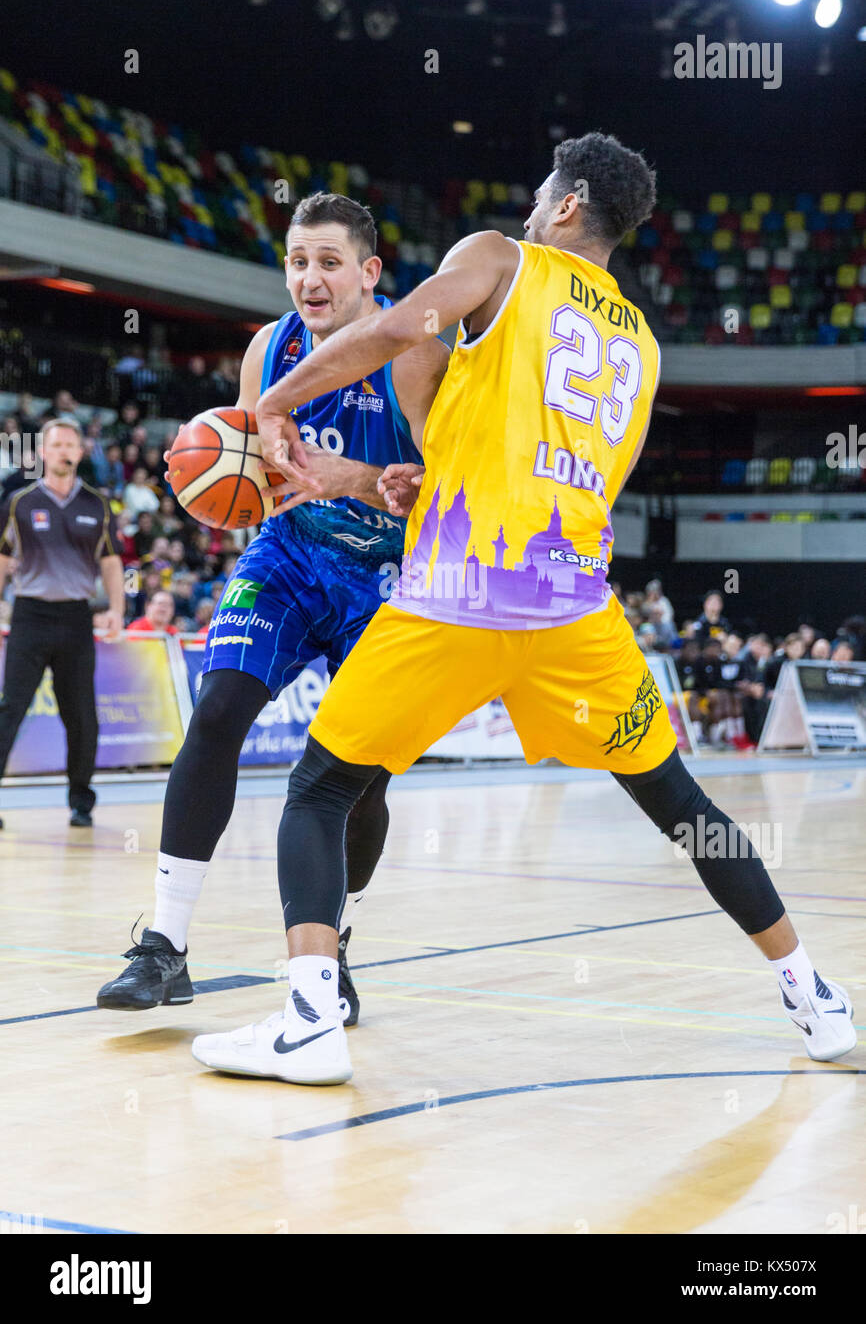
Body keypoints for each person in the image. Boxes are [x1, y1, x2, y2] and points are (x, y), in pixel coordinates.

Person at [200, 132, 856, 1085]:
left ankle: (308, 1017)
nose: (530, 205)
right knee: (684, 807)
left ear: (567, 205)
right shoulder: (641, 344)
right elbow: (583, 488)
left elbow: (395, 330)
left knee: (321, 790)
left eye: (541, 192)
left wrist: (273, 404)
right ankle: (813, 995)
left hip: (457, 594)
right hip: (572, 606)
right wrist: (388, 475)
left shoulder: (499, 258)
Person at [96, 191, 448, 1018]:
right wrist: (220, 481)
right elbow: (255, 472)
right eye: (297, 261)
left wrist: (367, 482)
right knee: (216, 712)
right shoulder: (268, 347)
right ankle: (165, 947)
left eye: (329, 262)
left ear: (368, 274)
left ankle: (338, 946)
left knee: (362, 782)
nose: (309, 278)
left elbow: (452, 491)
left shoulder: (413, 355)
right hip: (289, 555)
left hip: (386, 579)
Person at [0, 418, 124, 827]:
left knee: (81, 714)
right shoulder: (19, 502)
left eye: (71, 444)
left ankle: (81, 803)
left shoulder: (97, 504)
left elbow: (110, 562)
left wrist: (117, 610)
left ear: (80, 451)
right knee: (10, 708)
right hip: (30, 614)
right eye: (57, 445)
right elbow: (2, 560)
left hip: (76, 617)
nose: (64, 451)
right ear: (42, 452)